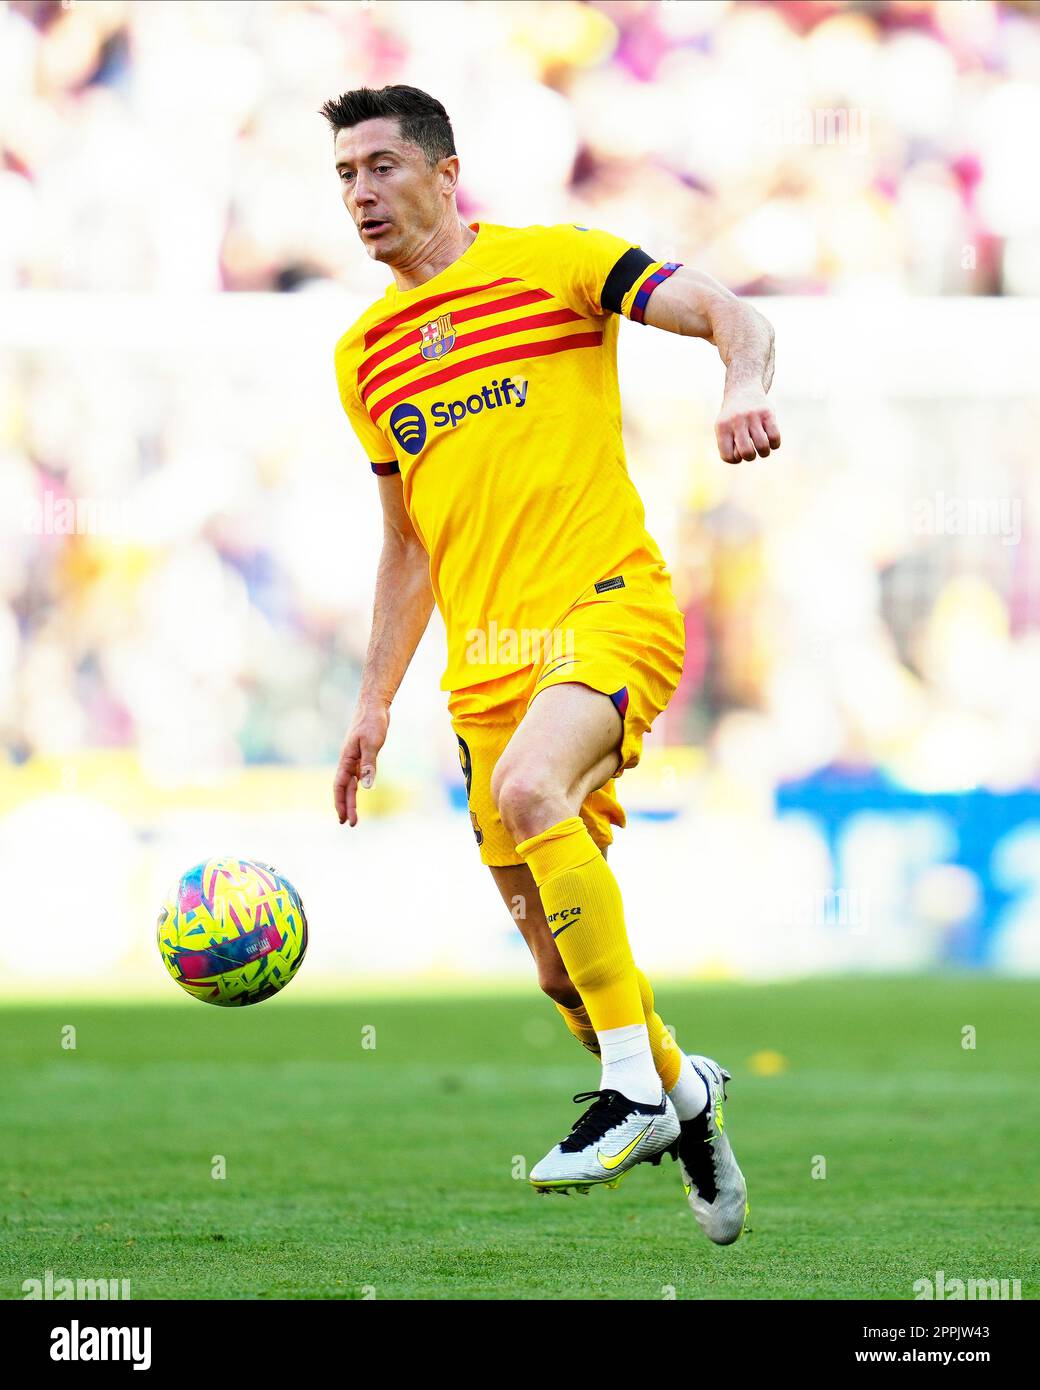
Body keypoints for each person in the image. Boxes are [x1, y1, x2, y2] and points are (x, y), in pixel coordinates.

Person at [324, 84, 779, 1243]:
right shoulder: (364, 357)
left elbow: (732, 312)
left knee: (533, 790)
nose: (361, 193)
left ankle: (631, 1093)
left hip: (607, 608)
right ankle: (684, 1097)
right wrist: (372, 699)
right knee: (564, 980)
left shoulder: (558, 262)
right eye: (344, 176)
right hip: (482, 674)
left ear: (444, 171)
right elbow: (406, 542)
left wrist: (743, 386)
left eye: (380, 167)